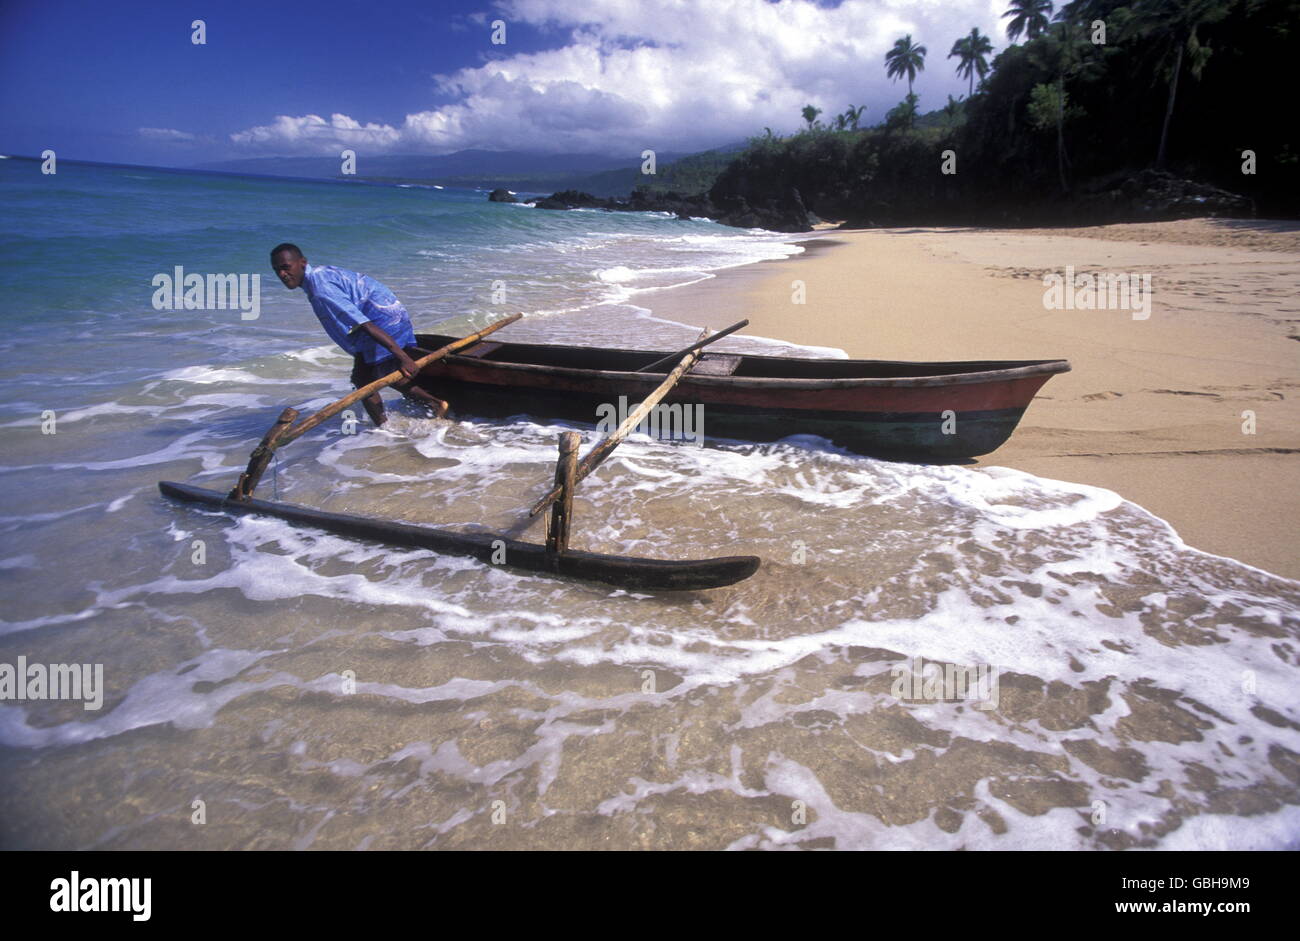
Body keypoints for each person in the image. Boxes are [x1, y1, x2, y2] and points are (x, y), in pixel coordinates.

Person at [269, 243, 447, 426]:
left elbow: (365, 324)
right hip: (392, 314)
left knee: (363, 381)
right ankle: (433, 403)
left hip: (384, 321)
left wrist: (403, 357)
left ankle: (385, 429)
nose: (282, 274)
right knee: (381, 373)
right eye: (277, 270)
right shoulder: (319, 275)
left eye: (286, 267)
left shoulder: (321, 289)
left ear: (302, 263)